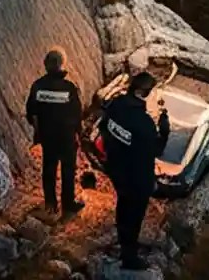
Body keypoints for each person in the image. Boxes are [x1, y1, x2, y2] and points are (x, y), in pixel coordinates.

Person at [100, 71, 170, 271]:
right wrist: (164, 131)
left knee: (123, 207)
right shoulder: (144, 124)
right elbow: (156, 150)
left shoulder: (116, 105)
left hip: (117, 170)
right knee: (134, 217)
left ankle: (123, 241)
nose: (153, 97)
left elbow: (105, 128)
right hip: (136, 179)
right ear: (141, 93)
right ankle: (129, 258)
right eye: (151, 93)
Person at [25, 48, 85, 218]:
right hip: (66, 137)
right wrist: (78, 133)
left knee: (49, 170)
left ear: (45, 65)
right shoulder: (69, 88)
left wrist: (39, 131)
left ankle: (51, 204)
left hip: (47, 137)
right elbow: (77, 114)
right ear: (62, 65)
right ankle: (68, 205)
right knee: (68, 170)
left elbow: (31, 112)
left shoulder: (37, 86)